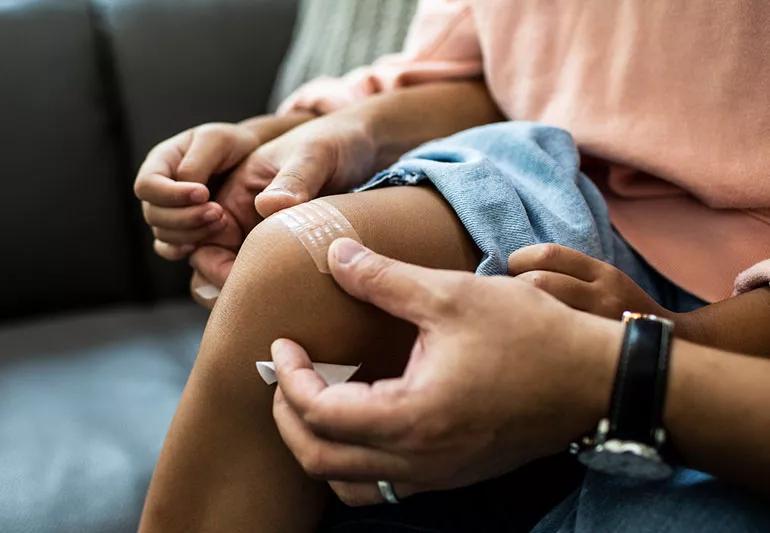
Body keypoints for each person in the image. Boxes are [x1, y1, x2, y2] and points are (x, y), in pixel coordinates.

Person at [132, 1, 770, 531]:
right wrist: (331, 131)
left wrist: (668, 349)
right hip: (565, 179)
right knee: (299, 263)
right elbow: (486, 78)